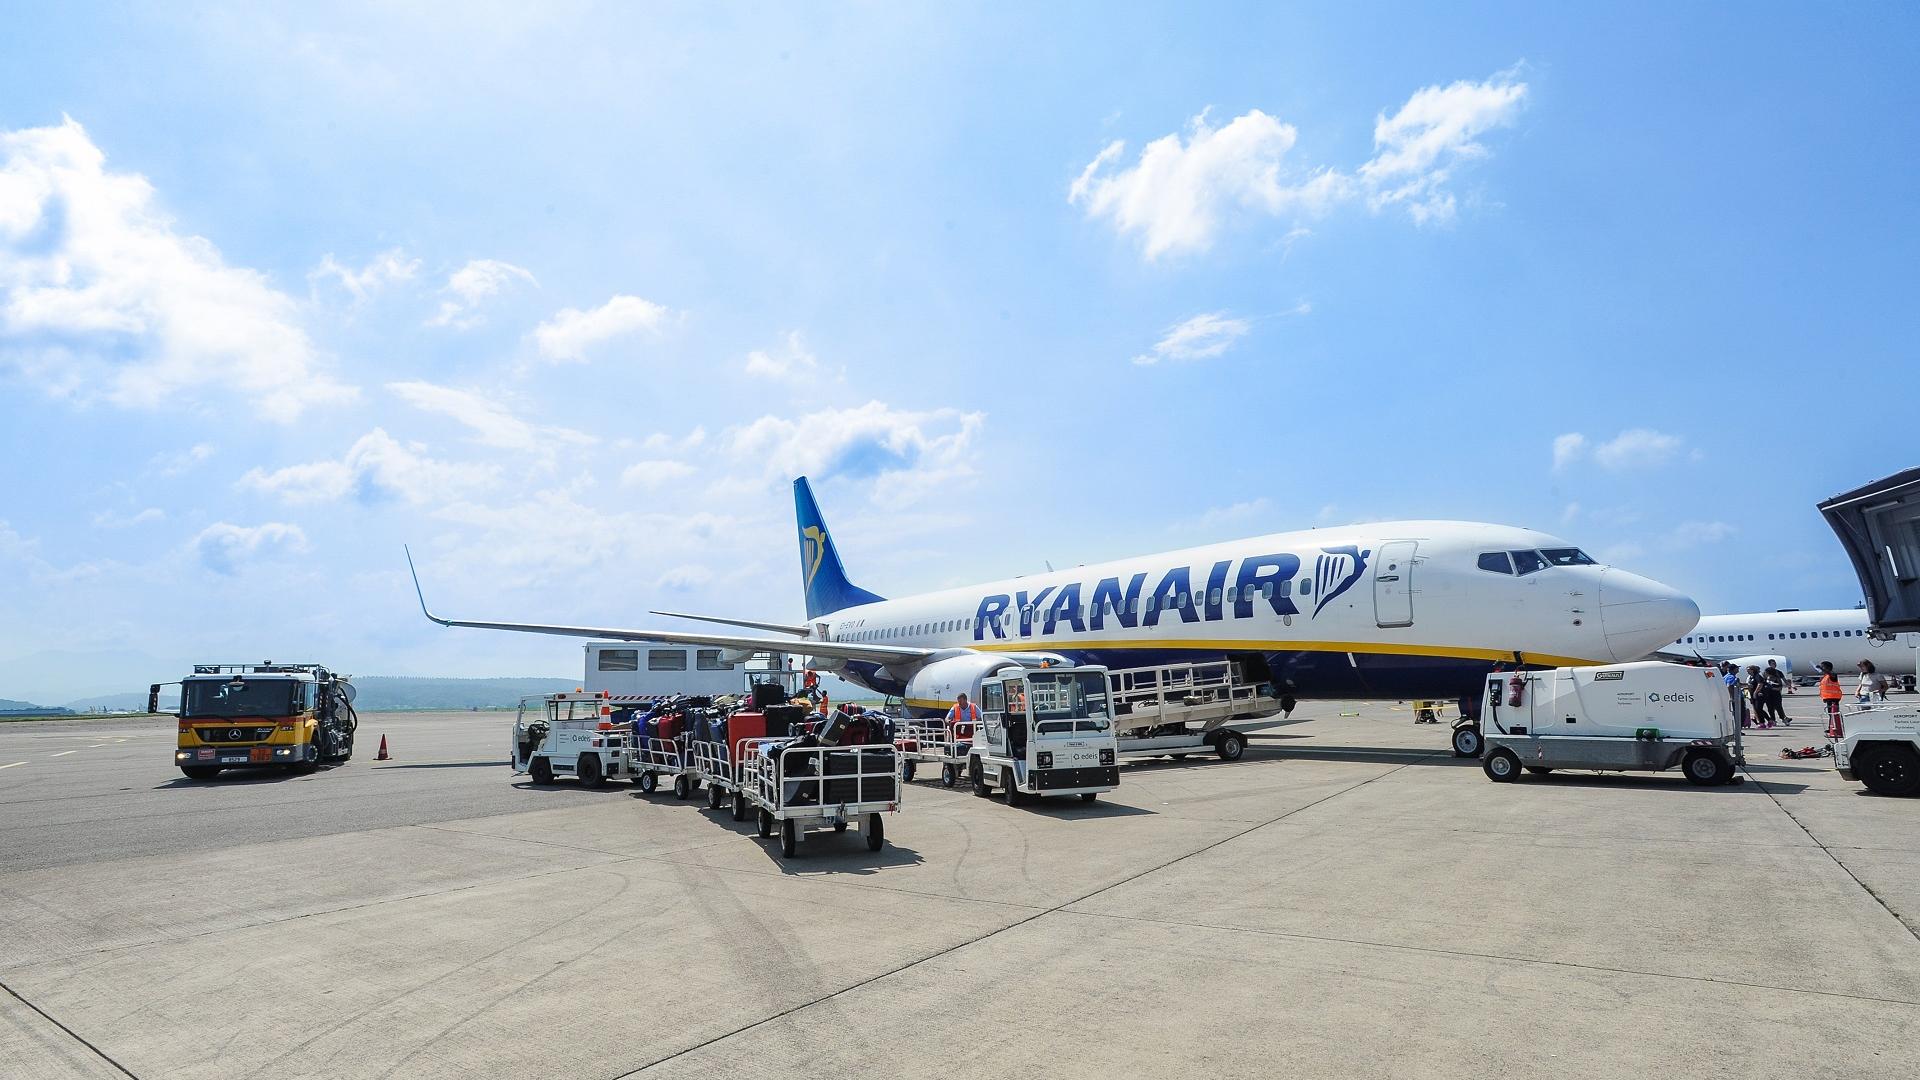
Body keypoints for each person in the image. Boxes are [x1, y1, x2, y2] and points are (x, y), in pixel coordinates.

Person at [1817, 661, 1845, 739]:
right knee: (1831, 714)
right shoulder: (1826, 676)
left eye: (1823, 667)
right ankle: (1831, 728)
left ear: (1827, 667)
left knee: (1834, 714)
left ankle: (1837, 728)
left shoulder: (1833, 675)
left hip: (1834, 698)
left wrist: (1824, 670)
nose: (1822, 669)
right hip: (1829, 698)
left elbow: (1832, 675)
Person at [1762, 661, 1791, 726]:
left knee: (1778, 707)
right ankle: (1773, 720)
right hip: (1768, 694)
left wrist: (1771, 688)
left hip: (1776, 694)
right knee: (1770, 708)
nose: (1765, 674)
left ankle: (1784, 719)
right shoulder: (1766, 677)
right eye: (1773, 664)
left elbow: (1780, 687)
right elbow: (1762, 684)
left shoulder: (1777, 677)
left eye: (1775, 663)